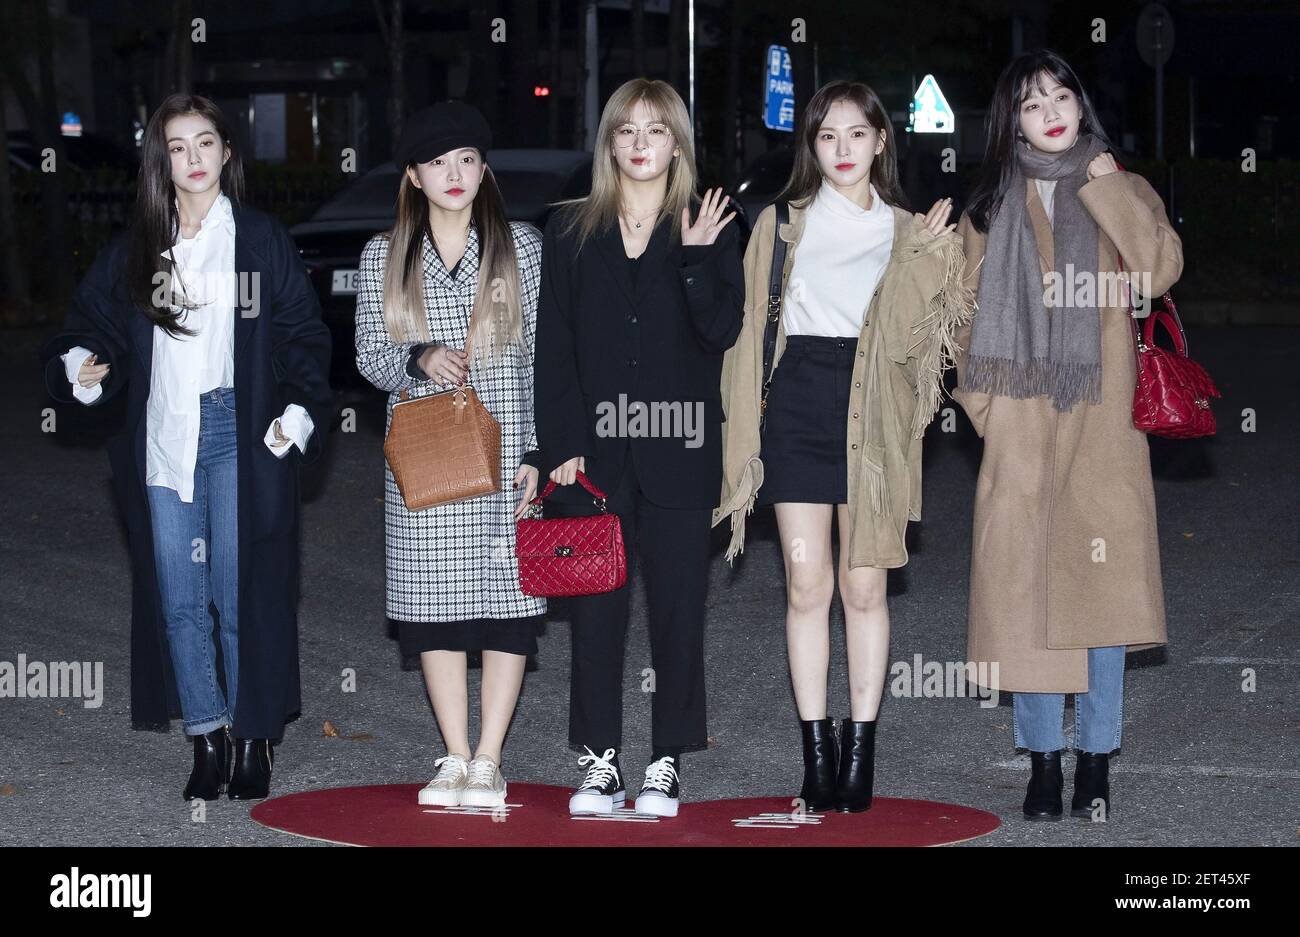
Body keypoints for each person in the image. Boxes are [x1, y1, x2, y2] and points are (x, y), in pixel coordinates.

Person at [40, 93, 334, 801]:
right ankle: (207, 737)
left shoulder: (259, 241)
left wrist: (296, 413)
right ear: (161, 160)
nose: (194, 158)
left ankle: (253, 735)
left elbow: (303, 333)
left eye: (206, 143)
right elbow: (92, 326)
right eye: (178, 146)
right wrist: (82, 365)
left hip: (241, 428)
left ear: (227, 153)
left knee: (241, 590)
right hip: (165, 434)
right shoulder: (140, 248)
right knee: (179, 597)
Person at [715, 80, 971, 812]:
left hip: (873, 414)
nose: (842, 150)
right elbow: (744, 336)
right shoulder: (781, 224)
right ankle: (815, 750)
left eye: (856, 135)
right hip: (794, 403)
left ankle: (861, 748)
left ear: (880, 141)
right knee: (806, 584)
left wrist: (932, 257)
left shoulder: (905, 229)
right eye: (827, 137)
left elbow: (927, 346)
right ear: (812, 146)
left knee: (864, 586)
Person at [953, 49, 1183, 821]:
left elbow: (1156, 269)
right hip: (1021, 425)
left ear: (1081, 105)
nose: (1049, 110)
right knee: (1025, 599)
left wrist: (1108, 184)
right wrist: (984, 407)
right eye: (1029, 103)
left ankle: (1097, 760)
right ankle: (1043, 761)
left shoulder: (1120, 185)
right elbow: (959, 315)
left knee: (1101, 599)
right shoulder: (988, 208)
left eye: (1060, 95)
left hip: (1101, 424)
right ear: (1009, 121)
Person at [533, 78, 744, 818]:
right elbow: (553, 346)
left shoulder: (712, 223)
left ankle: (664, 760)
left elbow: (720, 331)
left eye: (657, 130)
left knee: (679, 612)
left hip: (680, 446)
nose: (642, 143)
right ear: (610, 142)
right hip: (593, 455)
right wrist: (558, 442)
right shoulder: (567, 230)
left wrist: (690, 259)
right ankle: (599, 761)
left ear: (677, 143)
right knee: (595, 611)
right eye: (627, 129)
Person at [354, 103, 545, 809]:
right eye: (437, 162)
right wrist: (417, 356)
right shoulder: (385, 254)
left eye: (467, 158)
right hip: (425, 456)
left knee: (507, 609)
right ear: (413, 176)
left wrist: (539, 449)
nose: (454, 173)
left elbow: (545, 358)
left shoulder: (522, 247)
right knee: (431, 610)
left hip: (505, 454)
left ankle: (491, 757)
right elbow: (368, 356)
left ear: (484, 167)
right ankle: (455, 754)